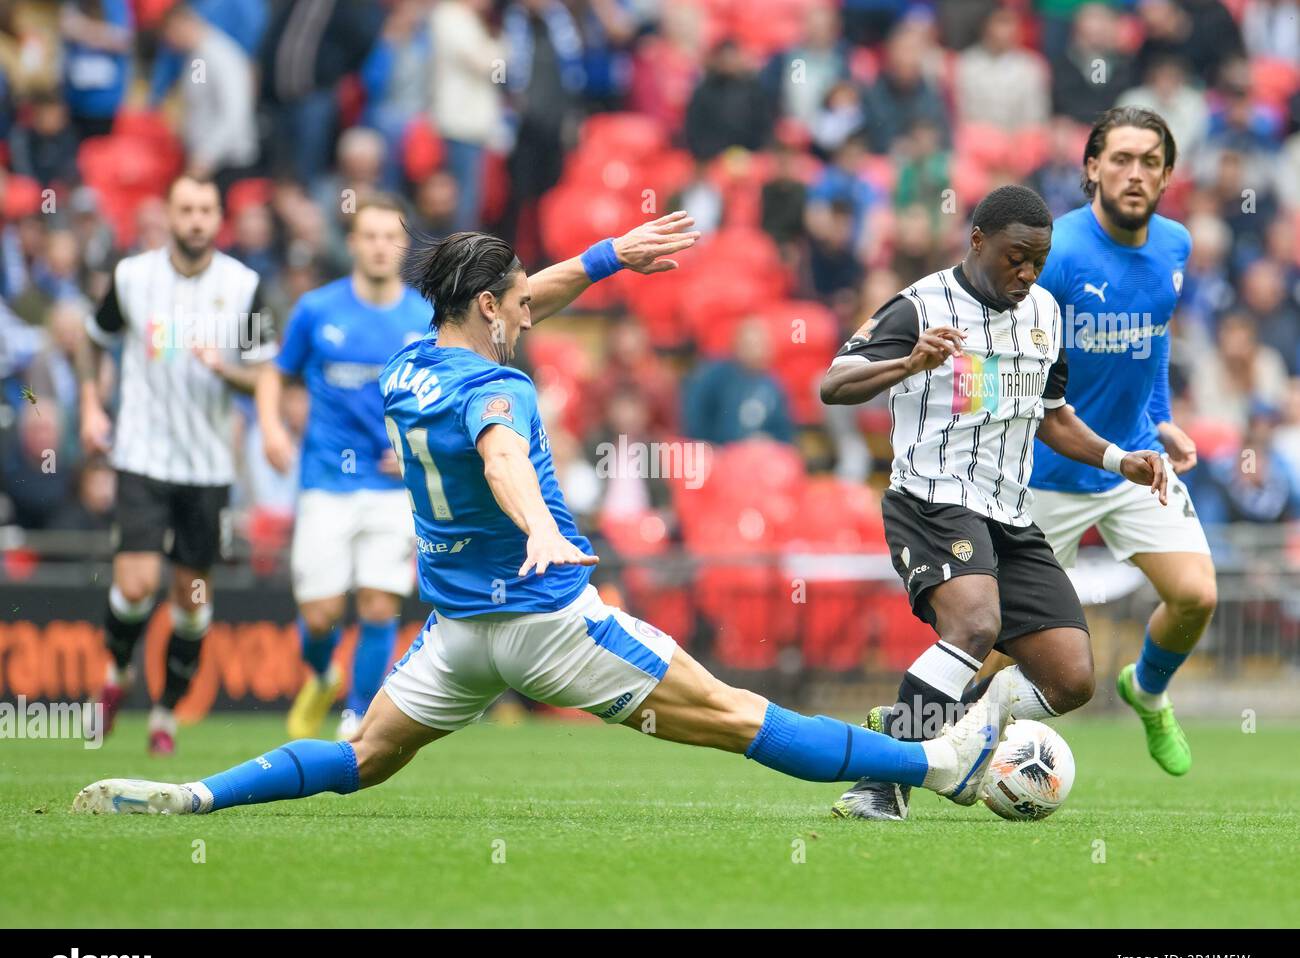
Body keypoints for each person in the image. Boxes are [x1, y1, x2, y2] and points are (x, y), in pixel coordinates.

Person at [72, 225, 1016, 817]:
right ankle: (935, 764)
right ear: (488, 308)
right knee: (737, 715)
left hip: (458, 637)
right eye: (518, 302)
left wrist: (607, 259)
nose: (530, 314)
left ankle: (196, 796)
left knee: (360, 758)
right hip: (548, 618)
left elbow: (527, 309)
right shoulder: (498, 386)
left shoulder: (410, 361)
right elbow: (501, 453)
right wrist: (538, 527)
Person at [819, 184, 1169, 821]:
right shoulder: (920, 305)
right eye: (1015, 257)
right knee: (975, 625)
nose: (1027, 271)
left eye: (1038, 259)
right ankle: (878, 783)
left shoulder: (1043, 313)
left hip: (1010, 513)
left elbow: (1054, 417)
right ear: (977, 240)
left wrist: (1123, 461)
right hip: (932, 501)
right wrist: (905, 365)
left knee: (1070, 679)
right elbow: (833, 385)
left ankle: (912, 718)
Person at [1027, 107, 1216, 779]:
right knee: (998, 649)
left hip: (1135, 461)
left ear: (1166, 174)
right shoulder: (1057, 252)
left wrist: (1161, 417)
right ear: (1091, 169)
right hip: (1046, 472)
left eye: (1150, 162)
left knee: (1197, 595)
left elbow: (1152, 341)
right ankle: (910, 753)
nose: (1135, 174)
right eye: (1121, 159)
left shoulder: (1175, 246)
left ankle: (1148, 690)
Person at [79, 175, 278, 754]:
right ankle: (116, 677)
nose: (195, 219)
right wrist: (92, 406)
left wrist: (227, 370)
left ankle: (165, 715)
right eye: (185, 208)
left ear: (219, 218)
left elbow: (265, 371)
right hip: (142, 453)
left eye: (206, 210)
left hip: (209, 465)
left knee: (190, 602)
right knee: (136, 585)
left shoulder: (243, 288)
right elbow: (92, 339)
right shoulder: (132, 278)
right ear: (168, 214)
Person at [256, 194, 432, 741]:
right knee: (320, 617)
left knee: (379, 603)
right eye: (370, 236)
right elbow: (275, 374)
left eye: (391, 238)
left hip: (390, 487)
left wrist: (416, 448)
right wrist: (270, 428)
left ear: (403, 249)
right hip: (326, 481)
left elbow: (442, 396)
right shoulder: (317, 310)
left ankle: (356, 714)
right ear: (352, 243)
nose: (380, 246)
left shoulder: (423, 317)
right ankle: (325, 673)